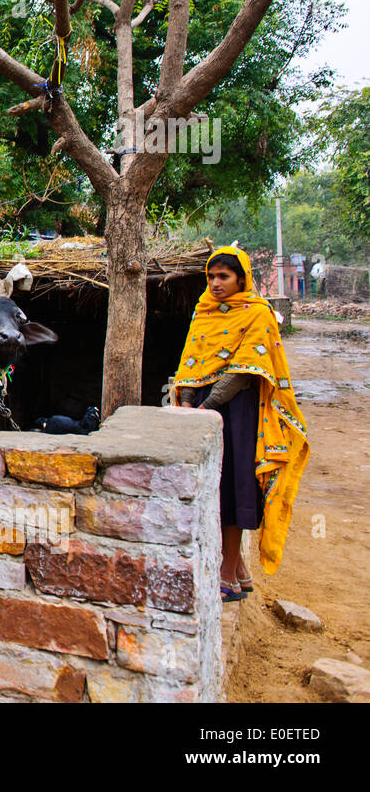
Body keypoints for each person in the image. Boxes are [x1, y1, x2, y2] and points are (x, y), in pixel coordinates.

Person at [171, 246, 310, 602]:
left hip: (236, 411)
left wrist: (205, 407)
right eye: (211, 277)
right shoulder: (203, 311)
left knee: (232, 488)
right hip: (201, 408)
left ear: (241, 279)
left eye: (224, 277)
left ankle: (227, 574)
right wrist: (187, 401)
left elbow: (242, 373)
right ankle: (239, 571)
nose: (216, 284)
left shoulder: (258, 314)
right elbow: (191, 362)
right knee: (212, 486)